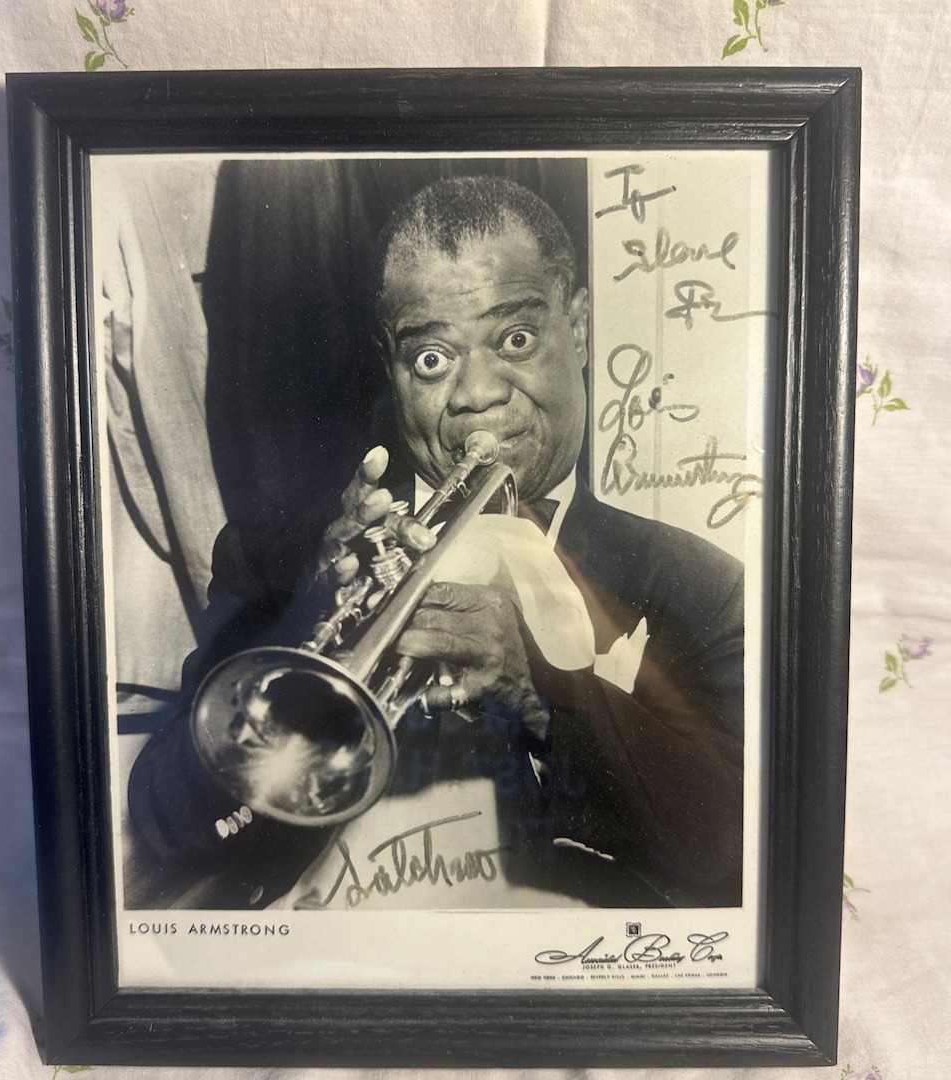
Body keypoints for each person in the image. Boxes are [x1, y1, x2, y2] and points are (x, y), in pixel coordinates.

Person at [126, 175, 744, 912]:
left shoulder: (694, 583)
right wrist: (307, 625)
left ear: (577, 329)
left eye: (515, 339)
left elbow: (728, 857)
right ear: (389, 365)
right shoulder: (279, 559)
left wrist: (539, 689)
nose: (476, 393)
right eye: (431, 358)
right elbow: (168, 828)